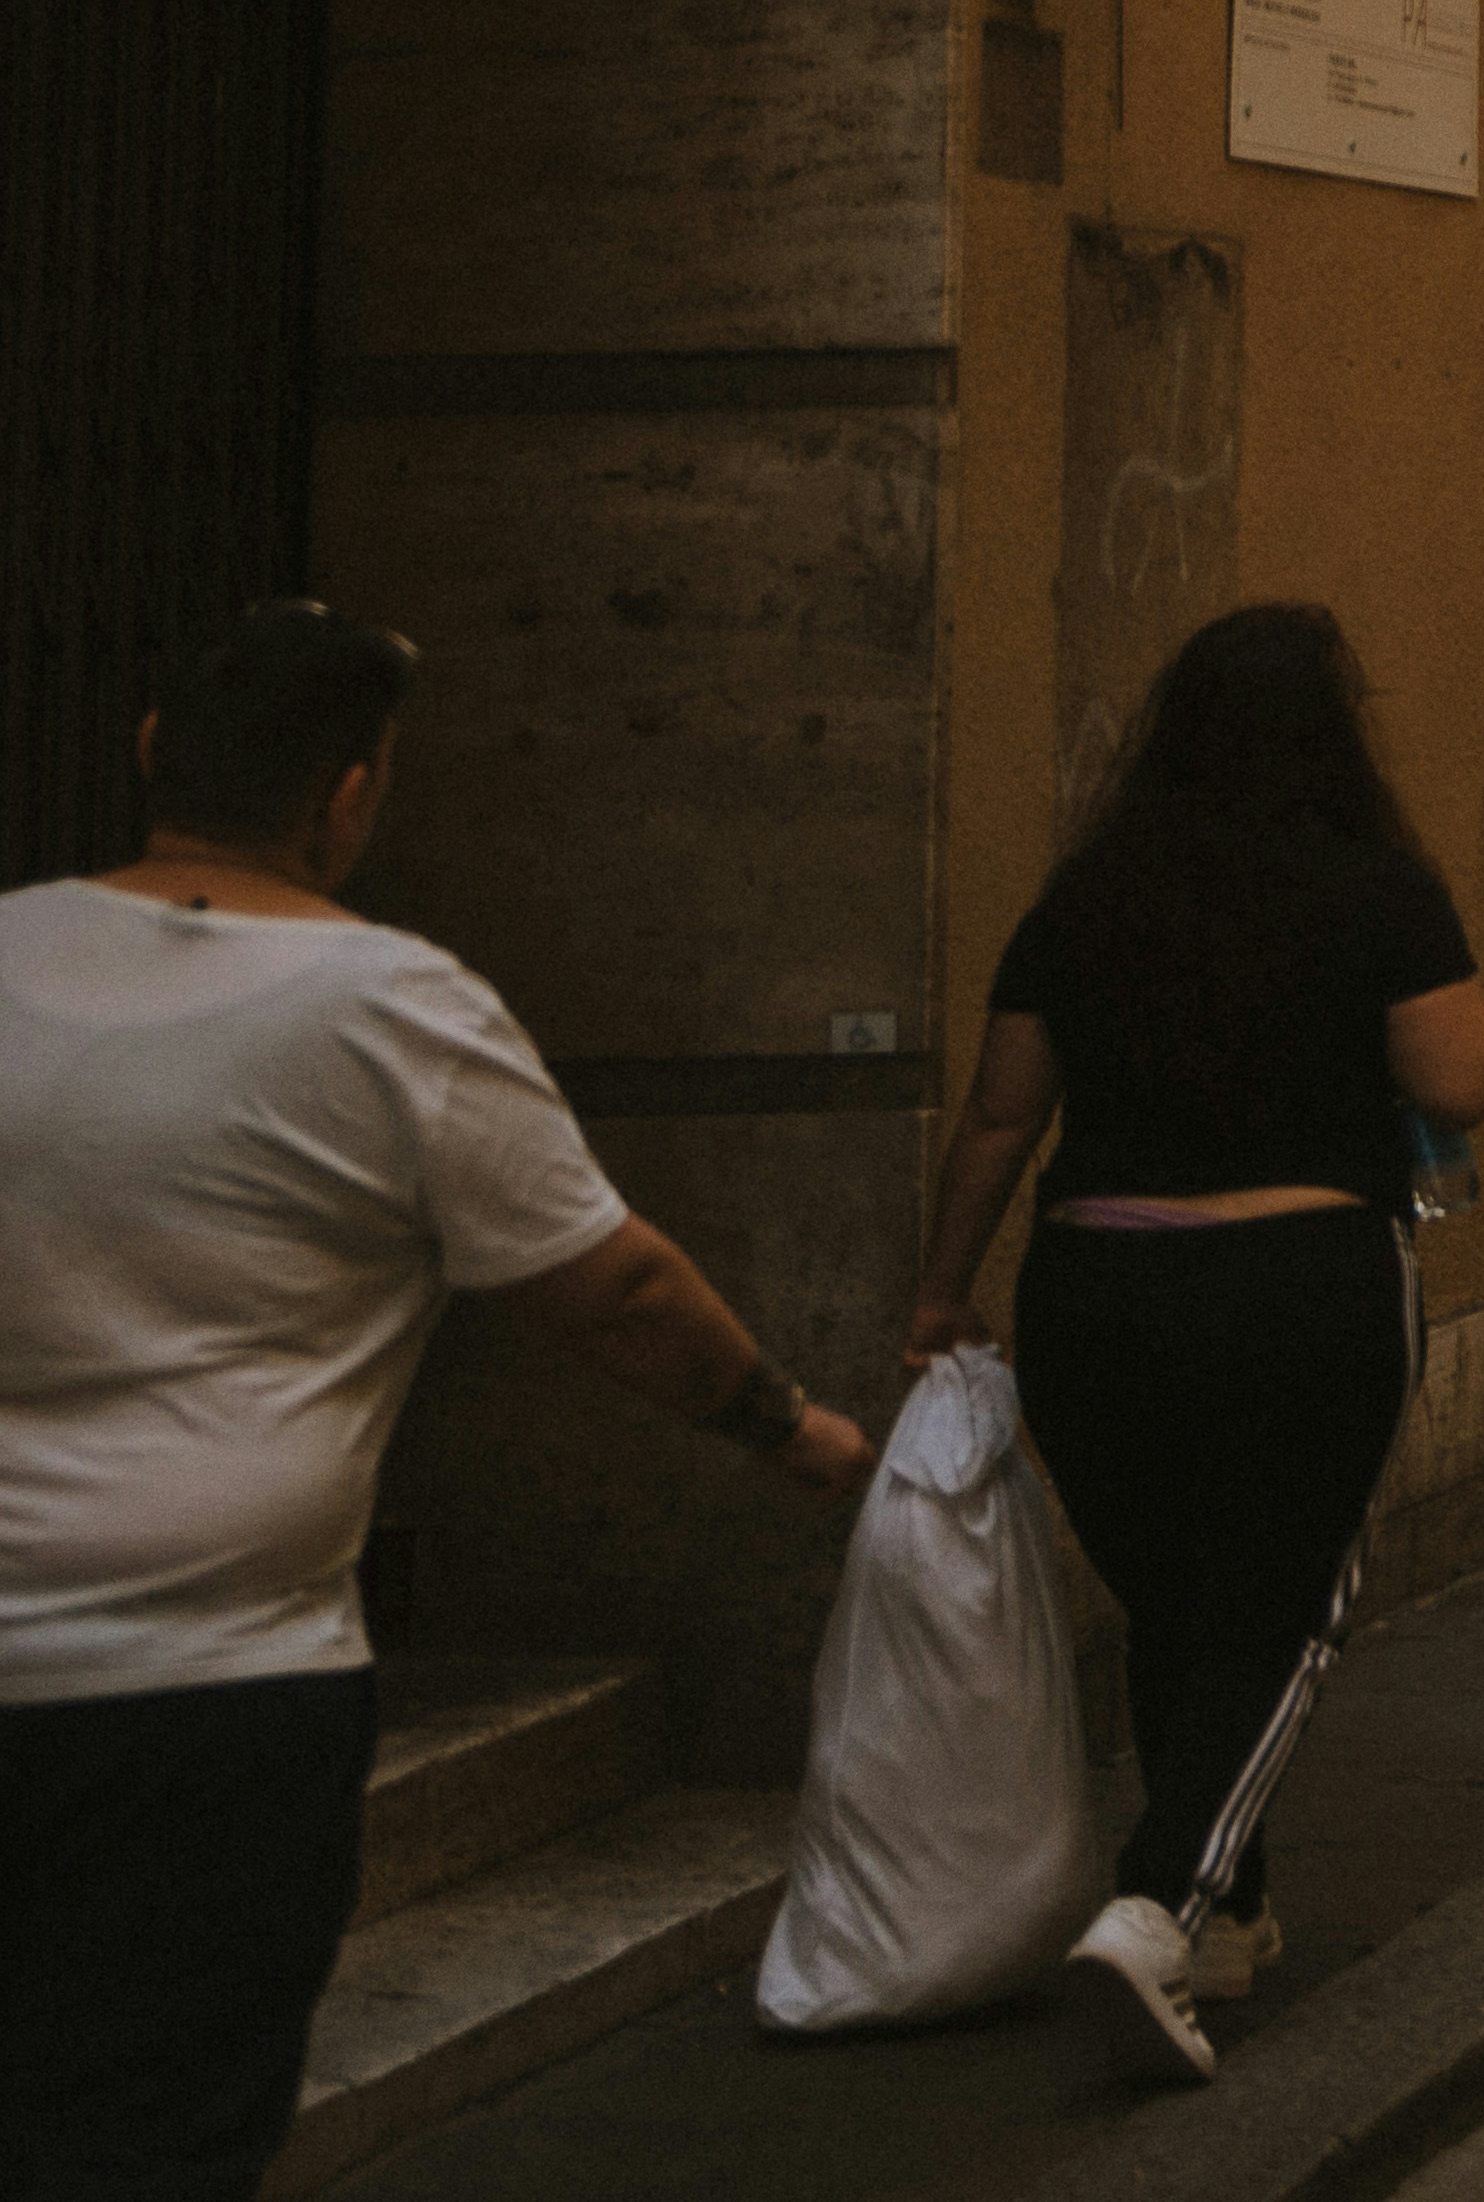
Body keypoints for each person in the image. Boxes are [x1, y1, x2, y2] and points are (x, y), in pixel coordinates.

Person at [2, 603, 874, 2201]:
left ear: (148, 759)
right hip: (211, 1687)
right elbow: (616, 1289)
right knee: (151, 2135)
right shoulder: (389, 1007)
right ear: (349, 798)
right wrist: (789, 1428)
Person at [900, 602, 1484, 2081]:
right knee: (1287, 1609)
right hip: (1299, 1284)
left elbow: (999, 1114)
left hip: (1096, 1291)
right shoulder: (1378, 891)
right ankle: (1159, 1899)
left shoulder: (1086, 899)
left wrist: (941, 1288)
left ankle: (1229, 1914)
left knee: (1179, 1599)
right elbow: (1462, 1074)